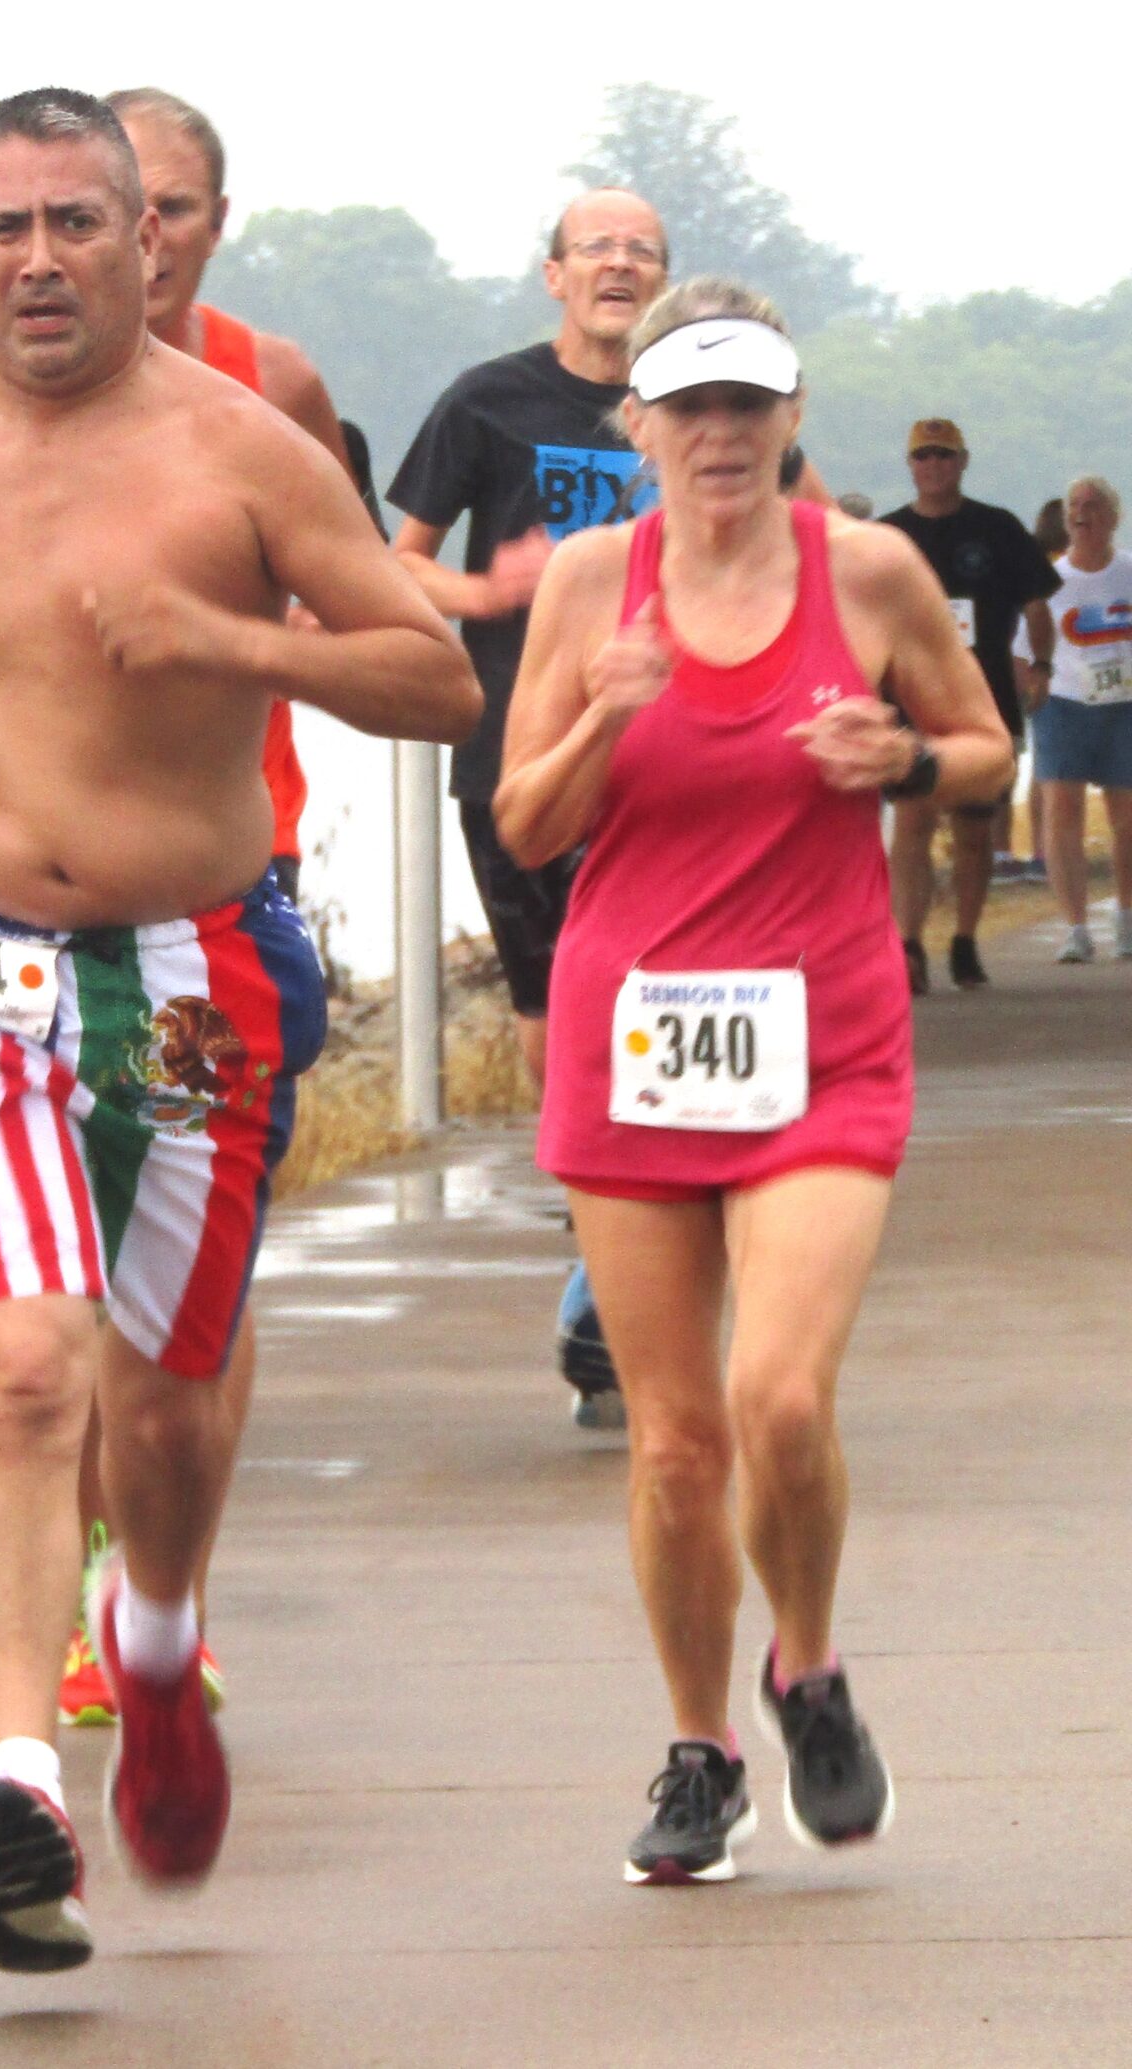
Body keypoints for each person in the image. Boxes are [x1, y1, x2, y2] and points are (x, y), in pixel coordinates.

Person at [0, 88, 476, 1972]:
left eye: (82, 221)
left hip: (192, 976)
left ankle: (154, 1637)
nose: (43, 259)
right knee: (26, 1367)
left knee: (161, 1388)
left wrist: (233, 643)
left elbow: (436, 674)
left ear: (154, 241)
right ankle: (17, 1780)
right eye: (7, 228)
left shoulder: (243, 448)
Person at [495, 279, 1010, 1884]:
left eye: (747, 405)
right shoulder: (590, 583)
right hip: (632, 1040)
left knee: (780, 1395)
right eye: (688, 407)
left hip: (821, 1040)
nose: (719, 435)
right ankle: (701, 1748)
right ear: (635, 427)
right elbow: (522, 824)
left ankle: (810, 1665)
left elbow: (989, 742)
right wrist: (599, 716)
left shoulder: (869, 570)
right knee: (673, 1445)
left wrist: (907, 763)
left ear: (791, 418)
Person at [0, 82, 356, 1734]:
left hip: (222, 897)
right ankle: (78, 1570)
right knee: (38, 1311)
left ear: (188, 223)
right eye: (36, 222)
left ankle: (161, 1580)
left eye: (161, 211)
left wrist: (230, 646)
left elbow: (367, 618)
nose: (136, 240)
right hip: (9, 932)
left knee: (185, 1288)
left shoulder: (273, 392)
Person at [386, 186, 672, 1432]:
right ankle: (601, 1249)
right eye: (597, 248)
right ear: (552, 275)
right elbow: (395, 561)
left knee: (666, 1013)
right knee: (555, 1023)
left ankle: (607, 1289)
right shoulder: (485, 399)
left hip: (672, 773)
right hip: (524, 764)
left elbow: (810, 524)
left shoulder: (698, 401)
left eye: (642, 253)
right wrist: (489, 591)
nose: (618, 264)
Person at [877, 420, 1058, 989]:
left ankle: (964, 940)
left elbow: (1036, 605)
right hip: (909, 696)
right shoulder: (889, 537)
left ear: (962, 461)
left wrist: (1043, 666)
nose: (933, 465)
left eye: (944, 455)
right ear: (910, 465)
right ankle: (908, 945)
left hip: (982, 694)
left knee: (975, 828)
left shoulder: (997, 528)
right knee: (912, 821)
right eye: (923, 455)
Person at [1034, 475, 1132, 961]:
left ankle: (1127, 919)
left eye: (1094, 505)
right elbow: (1023, 646)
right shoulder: (1050, 581)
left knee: (1127, 819)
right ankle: (1076, 928)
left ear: (1114, 519)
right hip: (1064, 703)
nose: (1082, 513)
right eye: (1075, 504)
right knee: (1061, 812)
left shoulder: (1129, 573)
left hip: (1125, 706)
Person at [998, 497, 1070, 883]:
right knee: (1044, 768)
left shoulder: (1026, 562)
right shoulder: (1057, 568)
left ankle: (1016, 850)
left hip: (1016, 666)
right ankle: (1042, 851)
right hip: (1041, 670)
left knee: (1030, 765)